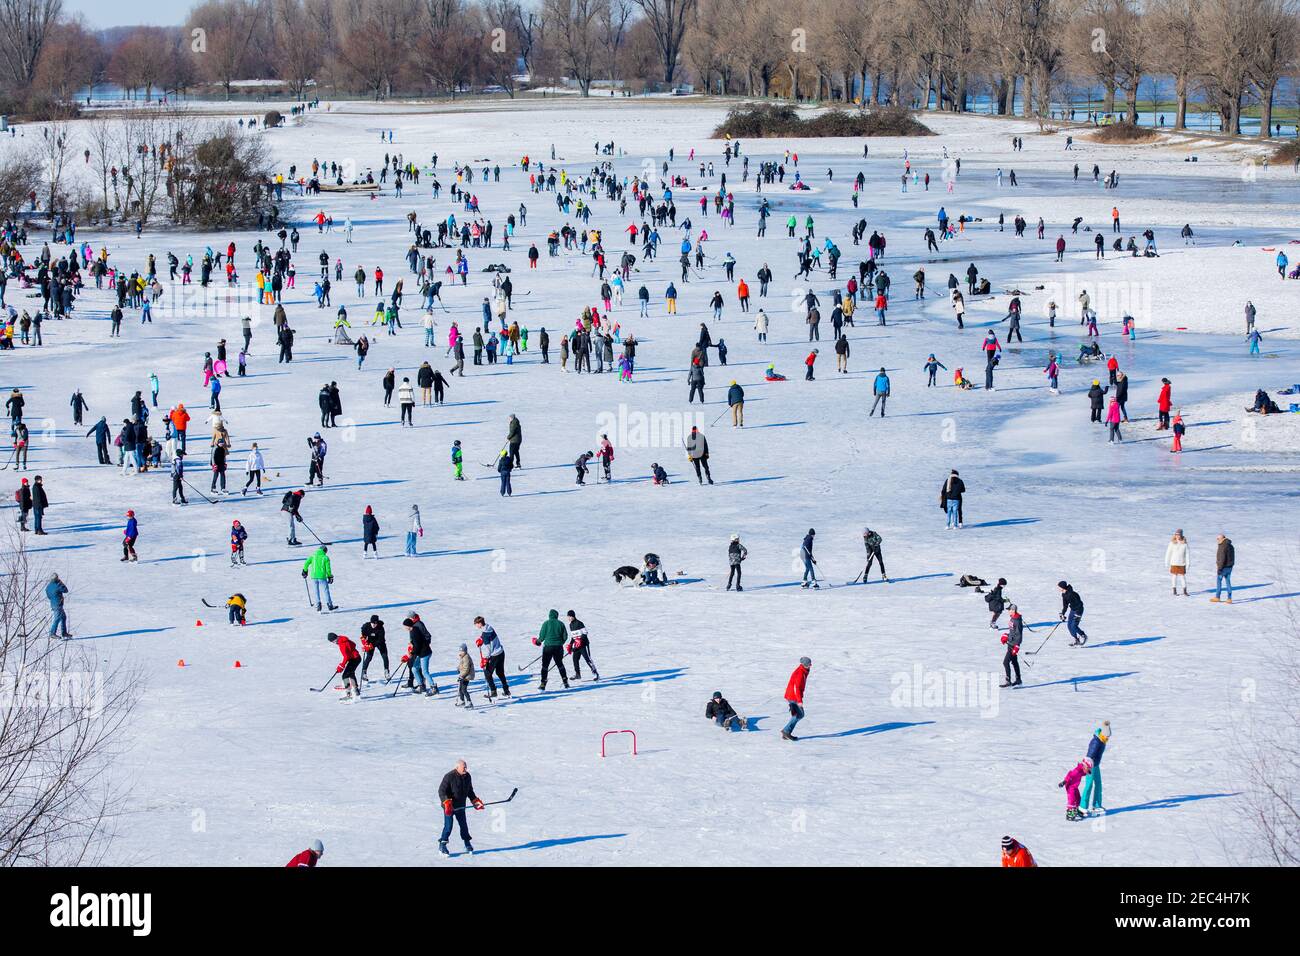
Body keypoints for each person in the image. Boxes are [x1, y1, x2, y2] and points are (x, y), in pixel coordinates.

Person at [437, 760, 484, 856]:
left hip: (461, 805)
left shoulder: (467, 776)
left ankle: (467, 842)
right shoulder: (449, 776)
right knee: (448, 826)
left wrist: (475, 800)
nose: (466, 769)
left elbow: (469, 791)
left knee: (463, 825)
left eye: (466, 767)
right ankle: (442, 844)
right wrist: (446, 801)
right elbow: (441, 791)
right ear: (457, 767)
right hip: (449, 806)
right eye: (464, 767)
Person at [534, 609, 570, 690]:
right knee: (560, 665)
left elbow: (542, 637)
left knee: (545, 666)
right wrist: (560, 643)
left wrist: (537, 642)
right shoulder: (561, 624)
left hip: (548, 648)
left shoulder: (546, 623)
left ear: (549, 615)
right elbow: (565, 636)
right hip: (558, 648)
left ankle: (543, 683)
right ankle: (565, 682)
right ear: (556, 615)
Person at [474, 617, 510, 698]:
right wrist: (481, 639)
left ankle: (493, 691)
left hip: (494, 655)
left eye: (476, 624)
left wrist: (485, 659)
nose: (476, 626)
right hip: (501, 652)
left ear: (479, 624)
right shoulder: (489, 627)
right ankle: (506, 690)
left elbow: (489, 650)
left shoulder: (485, 634)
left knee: (487, 673)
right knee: (500, 672)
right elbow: (487, 636)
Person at [1081, 720, 1111, 816]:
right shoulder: (1096, 742)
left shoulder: (1102, 740)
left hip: (1096, 765)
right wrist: (1086, 767)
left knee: (1098, 783)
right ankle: (1083, 807)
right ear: (1102, 735)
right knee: (1089, 785)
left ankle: (1097, 805)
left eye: (1108, 737)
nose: (1107, 738)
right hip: (1089, 766)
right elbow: (1089, 755)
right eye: (1107, 736)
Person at [403, 613, 435, 695]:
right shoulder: (414, 630)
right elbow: (415, 645)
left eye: (405, 626)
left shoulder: (415, 632)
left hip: (425, 653)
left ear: (408, 626)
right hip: (420, 653)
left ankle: (433, 687)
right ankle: (421, 686)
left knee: (425, 672)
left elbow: (417, 646)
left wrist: (410, 655)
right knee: (414, 668)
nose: (404, 628)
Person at [782, 657, 811, 741]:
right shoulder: (800, 673)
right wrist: (799, 701)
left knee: (797, 714)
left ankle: (786, 733)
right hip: (793, 696)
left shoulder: (803, 671)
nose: (810, 666)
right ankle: (786, 731)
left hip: (793, 695)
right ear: (804, 665)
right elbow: (796, 688)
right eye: (809, 665)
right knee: (799, 714)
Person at [327, 631, 362, 701]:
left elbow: (346, 657)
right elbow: (354, 644)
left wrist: (341, 666)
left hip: (354, 659)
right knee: (351, 673)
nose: (333, 643)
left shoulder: (342, 644)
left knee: (345, 675)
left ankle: (348, 694)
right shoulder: (343, 639)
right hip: (356, 658)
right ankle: (356, 690)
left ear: (334, 639)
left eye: (332, 641)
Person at [565, 610, 599, 680]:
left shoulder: (579, 623)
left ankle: (595, 673)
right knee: (575, 659)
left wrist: (580, 640)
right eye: (568, 617)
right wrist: (570, 645)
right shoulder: (571, 625)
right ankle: (577, 674)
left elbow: (585, 633)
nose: (569, 618)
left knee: (587, 659)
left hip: (584, 645)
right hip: (577, 646)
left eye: (570, 616)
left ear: (573, 616)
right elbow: (573, 636)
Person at [303, 545, 336, 612]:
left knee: (316, 591)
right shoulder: (325, 558)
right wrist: (330, 576)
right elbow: (328, 569)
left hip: (314, 576)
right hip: (322, 577)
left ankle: (318, 605)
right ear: (325, 551)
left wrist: (305, 571)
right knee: (325, 590)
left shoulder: (313, 556)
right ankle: (330, 605)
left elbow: (306, 563)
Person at [1060, 756, 1094, 821]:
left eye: (1089, 769)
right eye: (1088, 768)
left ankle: (1077, 810)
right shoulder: (1077, 770)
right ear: (1084, 766)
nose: (1088, 770)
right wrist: (1064, 782)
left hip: (1074, 787)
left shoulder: (1082, 769)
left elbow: (1083, 773)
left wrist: (1088, 772)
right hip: (1070, 786)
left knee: (1078, 798)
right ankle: (1070, 814)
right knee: (1072, 799)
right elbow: (1070, 775)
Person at [1058, 580, 1088, 645]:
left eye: (1059, 587)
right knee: (1069, 626)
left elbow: (1079, 604)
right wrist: (1062, 613)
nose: (1058, 588)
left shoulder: (1071, 594)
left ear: (1062, 587)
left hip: (1079, 610)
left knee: (1074, 626)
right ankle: (1076, 640)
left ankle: (1083, 636)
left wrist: (1078, 614)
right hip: (1073, 610)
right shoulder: (1064, 594)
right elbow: (1065, 605)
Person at [360, 614, 389, 681]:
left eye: (375, 624)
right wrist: (365, 644)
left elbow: (380, 640)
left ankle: (386, 671)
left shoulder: (381, 628)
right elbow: (363, 635)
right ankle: (364, 672)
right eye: (372, 623)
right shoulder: (366, 626)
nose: (374, 625)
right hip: (370, 642)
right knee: (369, 657)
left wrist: (371, 646)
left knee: (384, 656)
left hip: (380, 643)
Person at [1000, 605, 1023, 687]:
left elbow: (1019, 634)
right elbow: (1013, 632)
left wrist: (1017, 646)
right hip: (1010, 643)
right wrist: (1006, 635)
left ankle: (1008, 681)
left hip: (1013, 645)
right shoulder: (1013, 618)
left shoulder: (1017, 620)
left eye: (1009, 610)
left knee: (1005, 662)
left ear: (1013, 610)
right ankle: (1018, 679)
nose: (1008, 611)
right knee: (1014, 662)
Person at [46, 573, 71, 638]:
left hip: (53, 604)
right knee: (57, 618)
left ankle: (64, 633)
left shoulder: (48, 586)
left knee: (63, 617)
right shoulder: (58, 585)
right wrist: (61, 583)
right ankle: (52, 633)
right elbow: (65, 590)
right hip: (58, 604)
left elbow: (49, 596)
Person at [1165, 530, 1189, 596]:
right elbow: (1168, 553)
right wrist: (1166, 562)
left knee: (1182, 577)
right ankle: (1174, 591)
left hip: (1182, 563)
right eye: (1176, 534)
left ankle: (1185, 591)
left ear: (1181, 535)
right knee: (1174, 576)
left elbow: (1187, 554)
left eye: (1178, 534)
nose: (1177, 536)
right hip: (1174, 563)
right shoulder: (1172, 543)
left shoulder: (1184, 543)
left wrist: (1188, 563)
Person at [1212, 534, 1234, 604]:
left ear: (1222, 539)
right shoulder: (1230, 545)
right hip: (1229, 567)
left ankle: (1217, 597)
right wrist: (1231, 565)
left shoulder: (1222, 546)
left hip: (1223, 567)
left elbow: (1222, 558)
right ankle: (1229, 598)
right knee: (1228, 582)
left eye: (1218, 539)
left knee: (1219, 581)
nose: (1217, 540)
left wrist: (1219, 568)